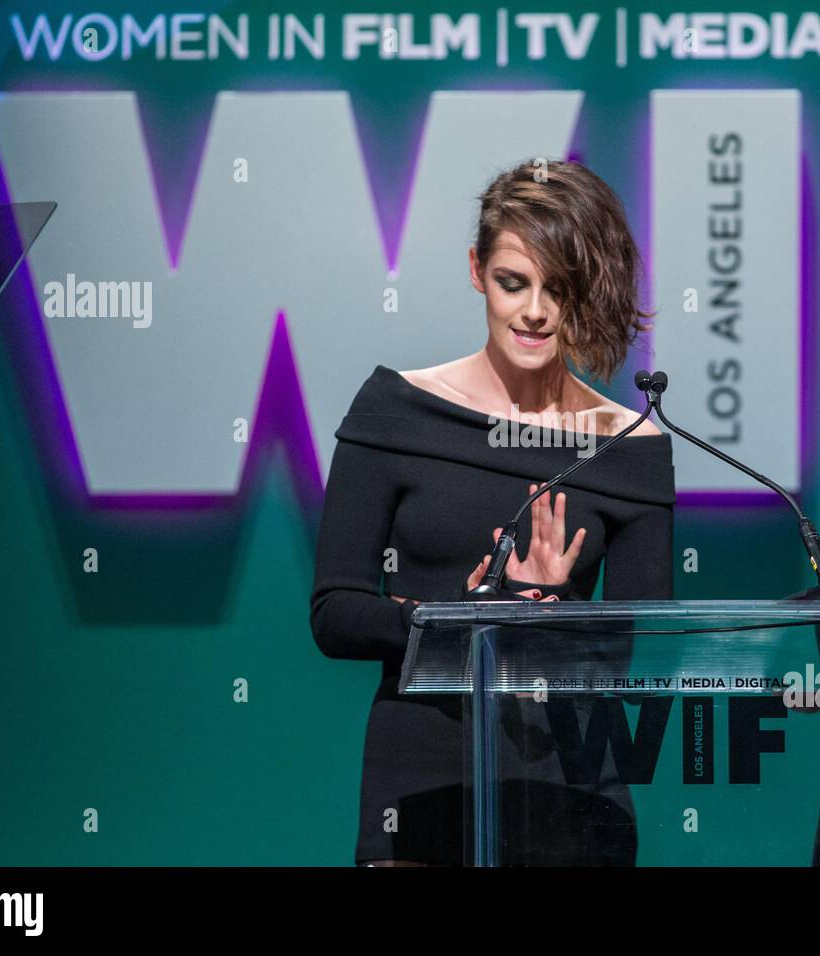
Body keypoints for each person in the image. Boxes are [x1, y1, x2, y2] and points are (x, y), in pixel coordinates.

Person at [309, 158, 675, 866]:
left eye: (557, 289)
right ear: (477, 271)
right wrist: (463, 619)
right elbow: (335, 610)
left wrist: (555, 607)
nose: (534, 310)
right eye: (514, 283)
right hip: (422, 778)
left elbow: (639, 657)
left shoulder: (630, 444)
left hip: (573, 785)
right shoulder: (398, 410)